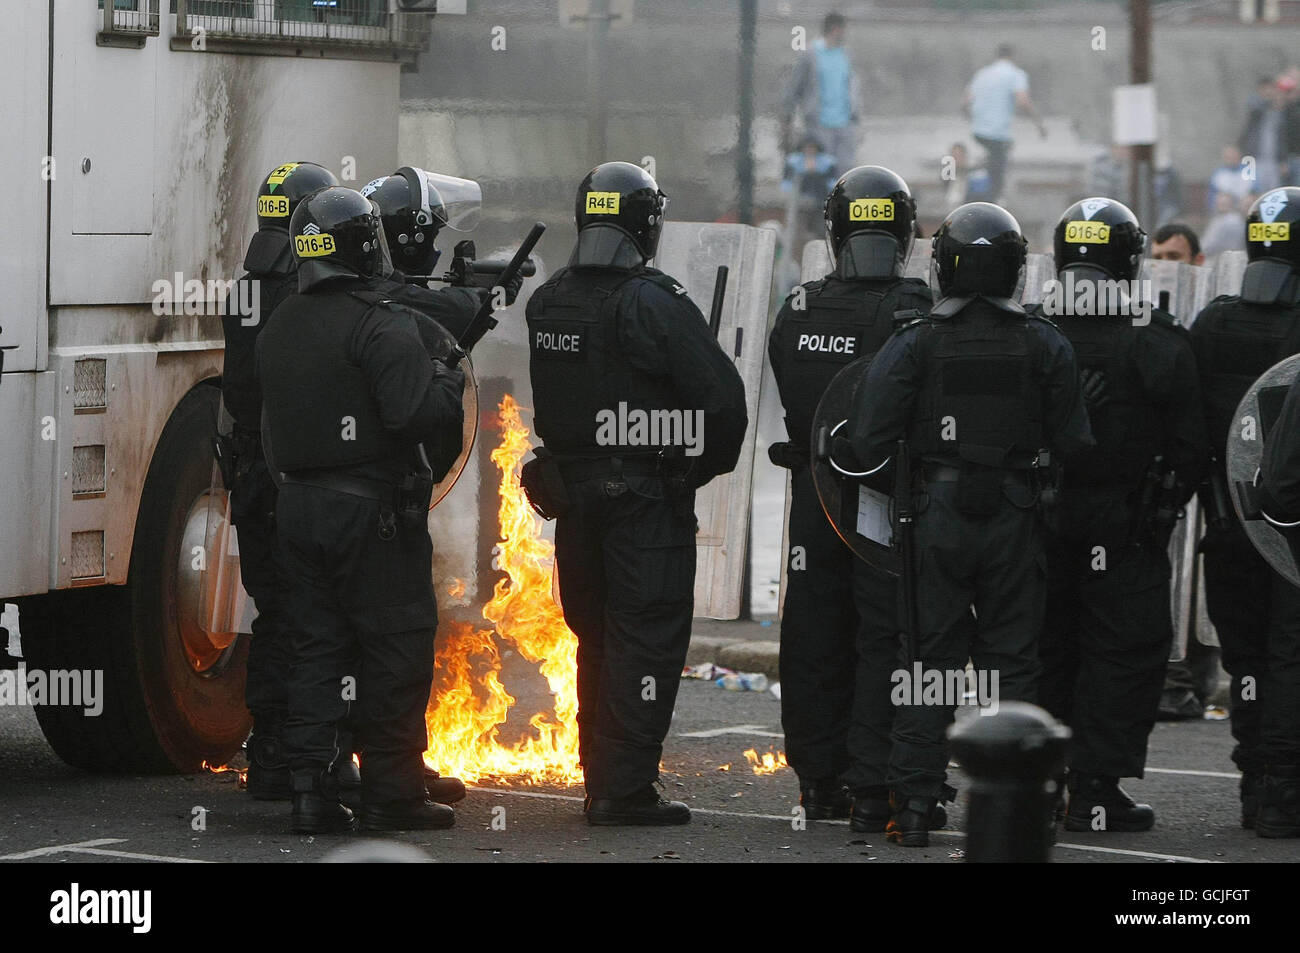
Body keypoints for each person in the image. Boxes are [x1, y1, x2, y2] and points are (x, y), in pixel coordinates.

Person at [845, 201, 1093, 847]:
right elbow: (1074, 442)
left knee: (928, 659)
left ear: (945, 266)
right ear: (1014, 268)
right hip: (1016, 515)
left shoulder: (915, 340)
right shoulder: (1046, 342)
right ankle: (1023, 803)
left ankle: (917, 806)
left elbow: (866, 437)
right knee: (1013, 661)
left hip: (936, 515)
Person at [523, 161, 748, 825]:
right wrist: (689, 471)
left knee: (597, 636)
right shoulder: (653, 301)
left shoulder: (549, 298)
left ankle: (602, 775)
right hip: (644, 500)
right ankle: (622, 790)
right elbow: (724, 404)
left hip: (575, 498)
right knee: (643, 639)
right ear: (645, 226)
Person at [257, 186, 467, 834]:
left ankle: (311, 792)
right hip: (371, 515)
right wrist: (448, 381)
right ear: (360, 246)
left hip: (295, 509)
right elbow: (413, 418)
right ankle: (394, 791)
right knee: (394, 647)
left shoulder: (280, 323)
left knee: (317, 648)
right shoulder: (380, 321)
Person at [768, 166, 937, 830]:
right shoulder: (916, 312)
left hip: (815, 497)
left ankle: (818, 782)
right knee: (884, 635)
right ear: (904, 231)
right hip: (888, 502)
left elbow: (791, 397)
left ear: (836, 232)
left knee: (812, 629)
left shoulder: (799, 309)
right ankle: (875, 784)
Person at [1035, 198, 1209, 832]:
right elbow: (1193, 447)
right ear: (1130, 262)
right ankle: (1095, 792)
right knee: (1123, 652)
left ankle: (1037, 781)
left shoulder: (1030, 330)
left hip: (1039, 523)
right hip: (1125, 528)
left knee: (1047, 648)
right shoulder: (1156, 339)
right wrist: (1159, 513)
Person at [219, 160, 338, 800]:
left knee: (276, 616)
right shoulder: (301, 295)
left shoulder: (245, 289)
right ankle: (309, 764)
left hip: (252, 477)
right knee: (314, 621)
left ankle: (269, 755)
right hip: (292, 475)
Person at [1189, 186, 1300, 837]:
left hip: (1229, 526)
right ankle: (1283, 791)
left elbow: (1185, 428)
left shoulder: (1214, 324)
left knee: (1248, 660)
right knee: (1289, 654)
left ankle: (1257, 783)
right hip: (1290, 533)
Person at [963, 44, 1046, 204]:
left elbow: (966, 101)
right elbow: (1022, 100)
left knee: (991, 163)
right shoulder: (1016, 74)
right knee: (998, 170)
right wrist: (1039, 123)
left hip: (979, 131)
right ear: (1012, 57)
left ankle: (980, 194)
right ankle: (993, 202)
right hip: (998, 132)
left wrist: (974, 118)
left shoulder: (982, 73)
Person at [782, 12, 861, 176]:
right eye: (843, 29)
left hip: (845, 123)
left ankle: (843, 201)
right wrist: (787, 117)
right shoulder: (810, 54)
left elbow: (852, 85)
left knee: (846, 170)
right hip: (819, 123)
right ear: (835, 29)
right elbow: (795, 87)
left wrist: (857, 115)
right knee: (823, 171)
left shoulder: (846, 54)